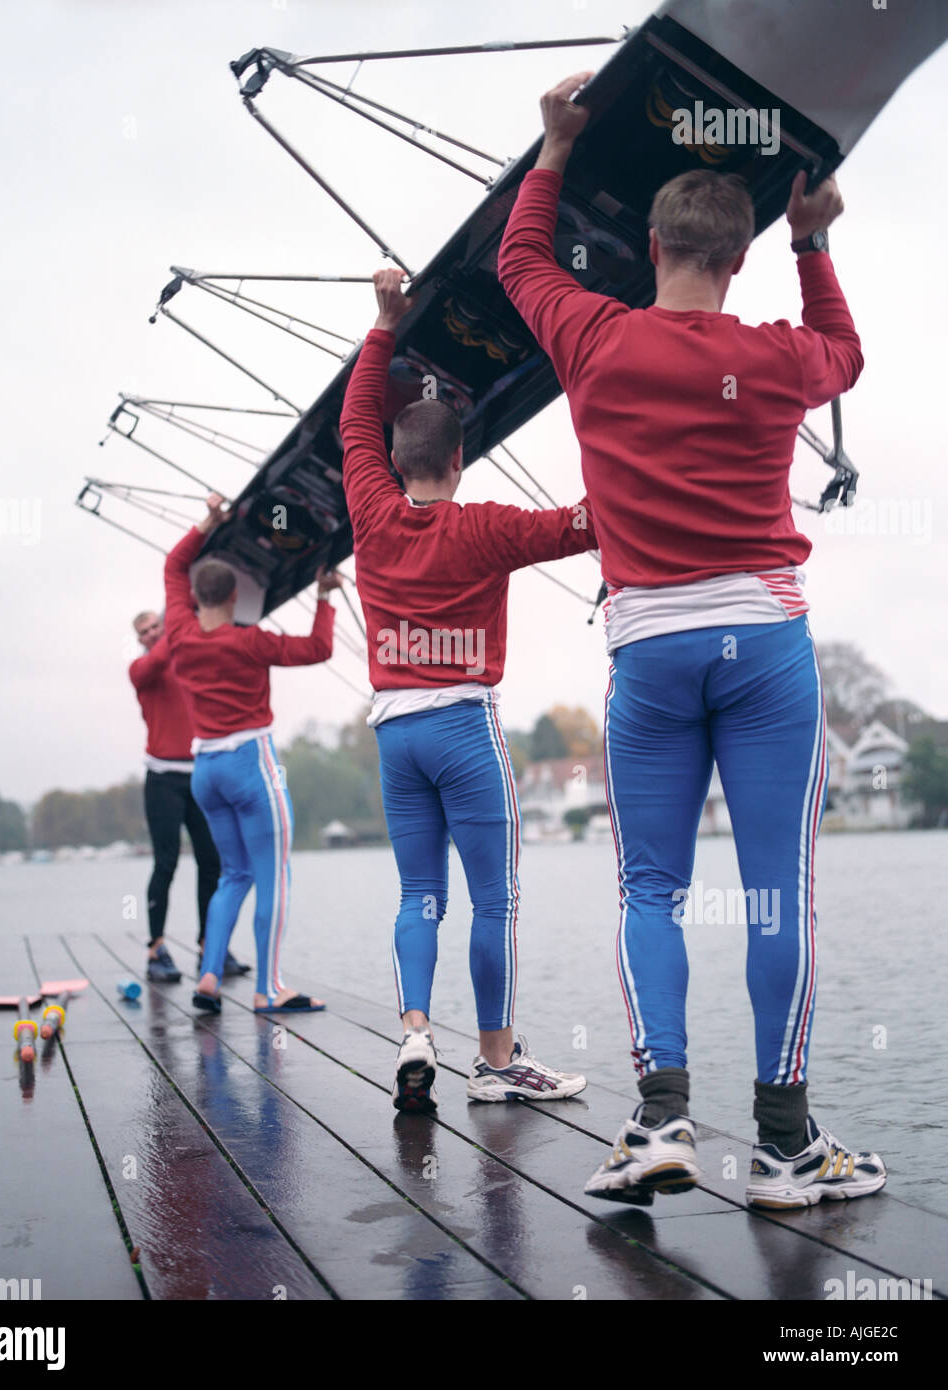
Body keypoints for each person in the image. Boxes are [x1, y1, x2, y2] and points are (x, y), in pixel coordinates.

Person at [497, 73, 886, 1208]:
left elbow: (521, 265)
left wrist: (555, 149)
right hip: (763, 647)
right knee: (777, 893)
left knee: (648, 890)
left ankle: (659, 1116)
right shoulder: (770, 357)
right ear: (736, 257)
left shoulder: (593, 340)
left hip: (649, 655)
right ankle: (782, 1145)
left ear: (652, 244)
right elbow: (844, 353)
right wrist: (812, 246)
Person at [340, 268, 598, 1113]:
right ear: (459, 459)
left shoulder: (371, 512)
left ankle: (415, 1029)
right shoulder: (488, 527)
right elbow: (581, 524)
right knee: (497, 898)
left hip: (393, 737)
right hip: (461, 731)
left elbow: (352, 424)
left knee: (419, 895)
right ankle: (493, 1061)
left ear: (395, 462)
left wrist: (384, 325)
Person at [163, 493, 342, 1014]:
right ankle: (268, 988)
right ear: (238, 593)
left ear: (196, 596)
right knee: (273, 875)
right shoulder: (251, 642)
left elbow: (173, 565)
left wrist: (206, 523)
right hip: (249, 764)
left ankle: (209, 978)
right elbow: (317, 649)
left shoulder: (178, 630)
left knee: (231, 875)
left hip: (205, 771)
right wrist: (325, 596)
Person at [129, 609, 247, 982]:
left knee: (211, 861)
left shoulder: (187, 663)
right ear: (140, 639)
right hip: (162, 779)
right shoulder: (142, 669)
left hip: (199, 776)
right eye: (143, 631)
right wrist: (176, 621)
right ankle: (156, 948)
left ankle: (208, 947)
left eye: (155, 628)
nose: (150, 634)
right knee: (166, 862)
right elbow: (163, 653)